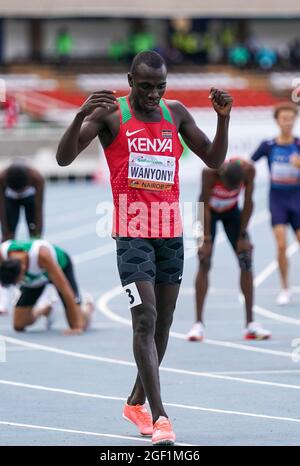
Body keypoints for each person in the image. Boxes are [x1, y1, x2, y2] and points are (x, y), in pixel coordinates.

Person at [56, 50, 233, 445]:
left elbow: (215, 159)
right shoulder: (111, 115)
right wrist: (78, 116)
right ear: (130, 81)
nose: (154, 94)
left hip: (170, 231)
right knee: (145, 319)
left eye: (160, 87)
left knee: (165, 322)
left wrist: (223, 119)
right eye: (147, 87)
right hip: (132, 232)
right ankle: (161, 417)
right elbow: (64, 158)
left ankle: (135, 401)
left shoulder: (176, 113)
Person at [187, 158, 271, 342]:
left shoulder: (249, 170)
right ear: (220, 178)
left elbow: (249, 203)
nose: (230, 191)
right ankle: (198, 324)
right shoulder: (209, 172)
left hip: (232, 213)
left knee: (246, 259)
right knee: (204, 260)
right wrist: (206, 239)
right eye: (227, 187)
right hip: (208, 213)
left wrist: (243, 236)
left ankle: (250, 324)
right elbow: (203, 205)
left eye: (235, 189)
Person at [252, 102, 300, 305]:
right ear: (277, 121)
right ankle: (285, 288)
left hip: (297, 200)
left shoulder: (299, 145)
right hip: (278, 201)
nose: (288, 123)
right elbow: (248, 164)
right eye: (284, 119)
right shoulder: (268, 145)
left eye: (291, 119)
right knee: (281, 245)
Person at [0, 239, 93, 334]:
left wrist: (76, 327)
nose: (17, 285)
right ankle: (46, 309)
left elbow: (65, 289)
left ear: (23, 269)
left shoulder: (42, 255)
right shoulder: (2, 253)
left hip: (59, 268)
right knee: (18, 324)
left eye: (17, 281)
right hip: (36, 280)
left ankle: (87, 306)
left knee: (80, 324)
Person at [0, 162, 44, 241]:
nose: (18, 194)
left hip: (29, 198)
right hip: (10, 199)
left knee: (34, 232)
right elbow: (1, 206)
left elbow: (39, 207)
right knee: (8, 234)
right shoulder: (2, 178)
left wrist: (37, 235)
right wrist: (5, 232)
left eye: (20, 191)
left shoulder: (37, 178)